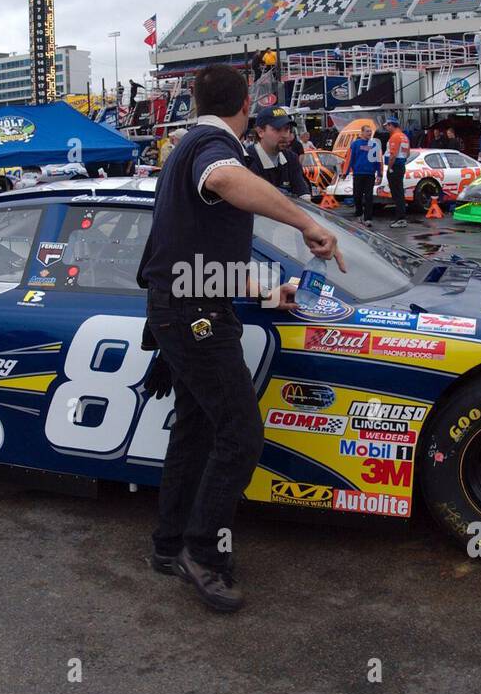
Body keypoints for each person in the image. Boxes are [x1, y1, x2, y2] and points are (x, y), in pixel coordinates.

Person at [136, 64, 344, 612]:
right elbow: (225, 179)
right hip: (193, 314)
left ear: (196, 97)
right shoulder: (210, 146)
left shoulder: (183, 144)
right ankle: (203, 554)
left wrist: (268, 288)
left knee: (197, 428)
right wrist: (306, 223)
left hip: (184, 304)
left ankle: (169, 544)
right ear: (247, 101)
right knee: (241, 433)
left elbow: (195, 253)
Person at [244, 107, 310, 199]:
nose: (285, 135)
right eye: (278, 129)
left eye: (287, 129)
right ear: (260, 132)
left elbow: (304, 196)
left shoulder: (291, 158)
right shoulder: (247, 160)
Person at [344, 123, 380, 226]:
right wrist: (345, 172)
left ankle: (368, 218)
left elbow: (378, 160)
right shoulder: (355, 144)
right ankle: (359, 214)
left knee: (369, 197)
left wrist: (380, 174)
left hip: (370, 174)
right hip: (358, 173)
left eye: (370, 131)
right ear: (362, 132)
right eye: (367, 131)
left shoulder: (374, 145)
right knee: (357, 195)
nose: (369, 133)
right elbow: (349, 159)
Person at [384, 116, 411, 227]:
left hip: (395, 167)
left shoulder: (395, 137)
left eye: (387, 126)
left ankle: (400, 219)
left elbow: (393, 155)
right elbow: (408, 153)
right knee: (399, 192)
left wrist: (390, 167)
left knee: (397, 193)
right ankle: (400, 218)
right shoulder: (405, 136)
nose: (386, 128)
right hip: (400, 165)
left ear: (391, 125)